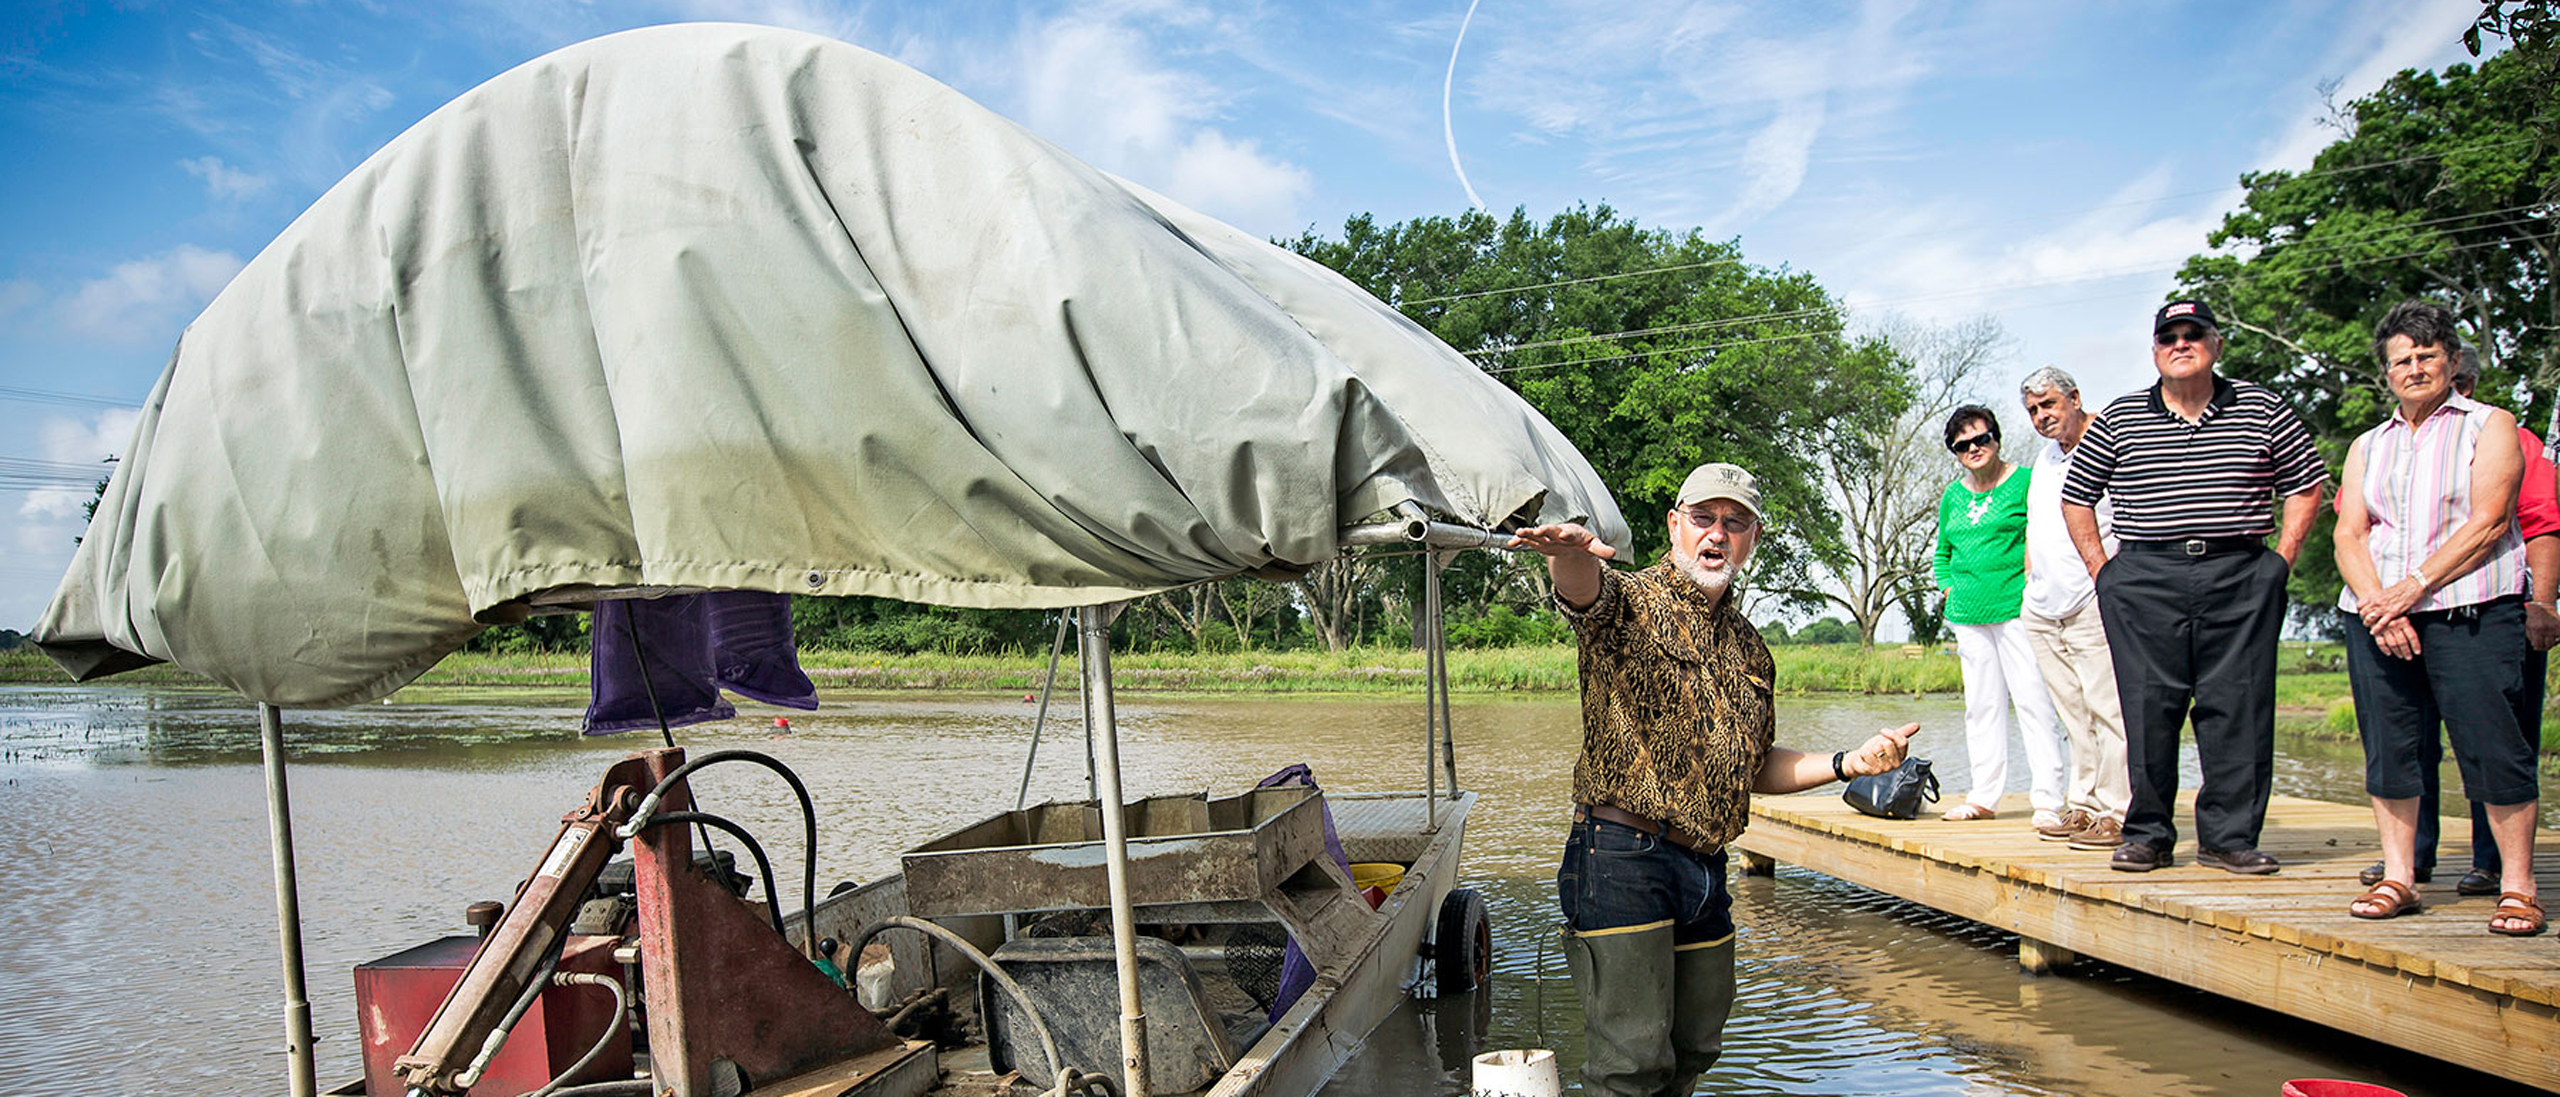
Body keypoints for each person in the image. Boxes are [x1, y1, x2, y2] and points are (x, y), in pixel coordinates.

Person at [1510, 462, 1920, 1097]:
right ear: (1676, 525)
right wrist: (1567, 556)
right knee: (1631, 1064)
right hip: (1623, 855)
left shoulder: (1753, 648)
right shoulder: (1632, 601)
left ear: (1752, 538)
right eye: (1704, 517)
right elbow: (1584, 593)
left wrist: (1848, 763)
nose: (1717, 533)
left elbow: (1754, 765)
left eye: (1735, 522)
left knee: (1695, 1047)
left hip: (1706, 865)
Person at [2060, 300, 2327, 874]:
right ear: (2155, 350)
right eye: (2169, 337)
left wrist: (2282, 560)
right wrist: (2102, 571)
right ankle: (2148, 834)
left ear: (2216, 344)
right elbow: (2077, 495)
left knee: (2237, 705)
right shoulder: (2121, 417)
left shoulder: (2264, 407)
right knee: (2149, 707)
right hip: (2145, 577)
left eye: (2193, 334)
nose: (2181, 344)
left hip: (2241, 573)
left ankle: (2228, 837)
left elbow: (2306, 485)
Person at [2333, 301, 2542, 936]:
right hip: (2378, 620)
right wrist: (2379, 603)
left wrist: (2411, 588)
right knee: (2391, 750)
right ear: (2387, 372)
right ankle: (2400, 876)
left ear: (2452, 361)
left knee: (2493, 747)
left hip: (2470, 611)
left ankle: (2518, 887)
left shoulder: (2491, 424)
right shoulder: (2368, 444)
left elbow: (2490, 521)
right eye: (2403, 359)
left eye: (2428, 355)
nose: (2416, 367)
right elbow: (2348, 534)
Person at [1930, 405, 2066, 828]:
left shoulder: (2027, 481)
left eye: (1981, 439)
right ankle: (1983, 795)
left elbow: (2045, 535)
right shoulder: (1953, 495)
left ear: (1996, 438)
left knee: (2033, 701)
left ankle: (2049, 799)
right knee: (1982, 707)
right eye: (1962, 445)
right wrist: (1947, 586)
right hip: (1967, 613)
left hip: (2016, 609)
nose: (1974, 448)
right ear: (1955, 452)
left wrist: (2031, 588)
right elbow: (1942, 553)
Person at [2016, 368, 2129, 850]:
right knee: (2073, 713)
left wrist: (2110, 583)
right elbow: (2038, 528)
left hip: (2091, 600)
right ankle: (2083, 805)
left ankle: (2118, 809)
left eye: (2049, 405)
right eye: (2034, 411)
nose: (2043, 416)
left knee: (2109, 710)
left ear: (2075, 398)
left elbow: (2128, 521)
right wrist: (2029, 584)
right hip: (2043, 606)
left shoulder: (2109, 445)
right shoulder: (2044, 460)